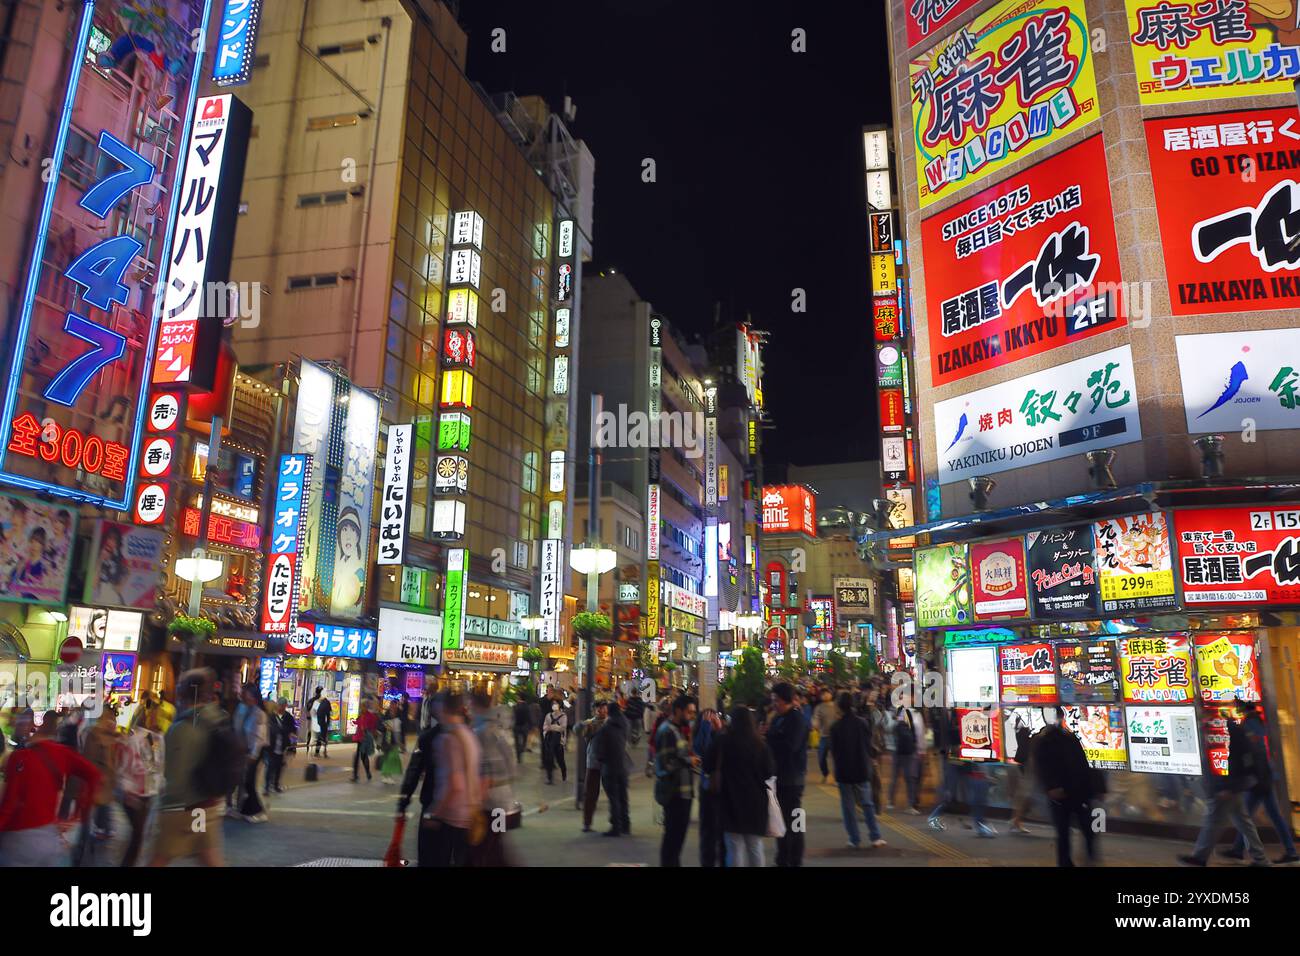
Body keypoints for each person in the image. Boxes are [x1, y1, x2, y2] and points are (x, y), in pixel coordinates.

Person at [0, 710, 100, 866]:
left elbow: (9, 806)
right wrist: (80, 813)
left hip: (17, 842)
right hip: (48, 840)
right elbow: (94, 774)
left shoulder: (18, 757)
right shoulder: (63, 753)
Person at [151, 668, 229, 867]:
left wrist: (164, 806)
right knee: (206, 854)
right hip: (205, 807)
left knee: (161, 856)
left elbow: (176, 775)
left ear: (185, 692)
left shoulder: (183, 728)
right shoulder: (217, 719)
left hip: (181, 809)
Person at [1180, 710, 1269, 867]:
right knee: (1243, 822)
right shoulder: (1219, 731)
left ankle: (1199, 857)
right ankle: (1260, 859)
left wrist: (1226, 786)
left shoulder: (1225, 732)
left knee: (1214, 820)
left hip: (1226, 787)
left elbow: (1233, 761)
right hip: (1229, 785)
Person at [1226, 701, 1298, 863]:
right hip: (1264, 776)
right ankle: (1290, 851)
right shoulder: (1256, 722)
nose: (1239, 710)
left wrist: (1230, 723)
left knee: (1246, 816)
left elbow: (1253, 751)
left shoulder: (1251, 724)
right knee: (1268, 815)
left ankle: (1240, 850)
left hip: (1260, 778)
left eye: (1239, 708)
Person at [703, 706, 775, 867]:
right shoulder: (760, 745)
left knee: (734, 847)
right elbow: (769, 773)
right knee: (755, 846)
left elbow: (707, 765)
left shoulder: (722, 741)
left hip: (730, 800)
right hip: (756, 802)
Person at [1035, 706, 1097, 866]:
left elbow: (1082, 765)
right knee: (1068, 832)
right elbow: (1043, 767)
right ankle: (1071, 862)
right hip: (1067, 793)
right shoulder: (1047, 740)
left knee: (1077, 830)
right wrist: (1051, 788)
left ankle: (1081, 859)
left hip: (1072, 792)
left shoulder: (1065, 738)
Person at [426, 693, 483, 867]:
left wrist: (435, 813)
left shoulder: (449, 739)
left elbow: (455, 784)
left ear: (443, 710)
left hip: (452, 817)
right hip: (469, 814)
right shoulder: (470, 735)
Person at [830, 692, 887, 850]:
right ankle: (875, 836)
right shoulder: (862, 723)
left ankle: (854, 839)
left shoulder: (835, 727)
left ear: (839, 706)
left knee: (848, 807)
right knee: (867, 804)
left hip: (844, 771)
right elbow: (869, 745)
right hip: (861, 768)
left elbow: (834, 752)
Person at [469, 692, 517, 866]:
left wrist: (476, 799)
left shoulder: (481, 732)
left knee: (485, 842)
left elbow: (485, 768)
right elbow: (511, 763)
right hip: (503, 799)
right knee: (497, 839)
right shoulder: (500, 729)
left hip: (489, 799)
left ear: (476, 705)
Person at [398, 695, 446, 867]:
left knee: (428, 855)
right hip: (459, 812)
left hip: (431, 804)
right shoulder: (467, 736)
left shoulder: (428, 738)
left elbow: (413, 771)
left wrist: (403, 801)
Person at [766, 682, 809, 867]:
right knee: (781, 822)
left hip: (793, 780)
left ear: (786, 700)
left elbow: (790, 746)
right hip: (779, 778)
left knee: (796, 822)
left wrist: (770, 737)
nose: (773, 704)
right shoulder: (778, 718)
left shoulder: (796, 719)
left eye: (776, 700)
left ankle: (795, 859)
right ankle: (783, 857)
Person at [653, 694, 698, 866]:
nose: (692, 716)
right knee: (672, 840)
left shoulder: (678, 730)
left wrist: (690, 759)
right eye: (689, 712)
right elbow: (665, 765)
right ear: (678, 711)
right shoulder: (667, 731)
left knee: (677, 840)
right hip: (674, 794)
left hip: (683, 793)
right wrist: (688, 761)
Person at [117, 702, 164, 866]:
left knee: (139, 834)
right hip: (137, 793)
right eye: (154, 715)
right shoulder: (140, 739)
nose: (157, 718)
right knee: (138, 835)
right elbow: (150, 766)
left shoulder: (149, 739)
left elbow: (155, 765)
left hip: (142, 793)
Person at [694, 708, 725, 866]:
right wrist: (705, 727)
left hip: (722, 791)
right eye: (708, 720)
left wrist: (719, 729)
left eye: (715, 719)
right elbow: (701, 750)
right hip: (708, 788)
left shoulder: (723, 736)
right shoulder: (702, 735)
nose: (713, 722)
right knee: (708, 833)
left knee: (721, 833)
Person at [235, 683, 268, 821]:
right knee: (246, 781)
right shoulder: (246, 709)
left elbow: (259, 738)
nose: (243, 696)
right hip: (247, 750)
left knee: (250, 781)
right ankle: (247, 810)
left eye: (246, 694)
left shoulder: (259, 713)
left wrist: (253, 754)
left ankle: (258, 810)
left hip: (256, 751)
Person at [598, 699, 631, 837]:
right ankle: (626, 825)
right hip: (623, 765)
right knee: (623, 796)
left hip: (610, 766)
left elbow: (601, 749)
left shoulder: (606, 727)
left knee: (614, 798)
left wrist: (600, 759)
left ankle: (616, 827)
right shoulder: (625, 724)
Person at [889, 704, 924, 813]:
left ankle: (890, 801)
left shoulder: (899, 711)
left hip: (898, 749)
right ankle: (910, 805)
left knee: (895, 776)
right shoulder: (916, 714)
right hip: (910, 751)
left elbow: (892, 728)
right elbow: (919, 733)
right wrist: (921, 750)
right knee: (910, 778)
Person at [579, 699, 608, 832]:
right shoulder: (590, 724)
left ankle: (617, 823)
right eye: (598, 708)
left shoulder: (611, 722)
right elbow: (579, 730)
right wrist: (582, 725)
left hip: (609, 762)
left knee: (614, 792)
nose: (601, 711)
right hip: (594, 761)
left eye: (603, 708)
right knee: (590, 793)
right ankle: (587, 823)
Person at [1007, 714, 1039, 833]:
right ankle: (1016, 821)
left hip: (1023, 765)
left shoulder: (1019, 731)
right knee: (1024, 795)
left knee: (1023, 796)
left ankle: (1016, 821)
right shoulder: (1025, 733)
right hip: (1025, 766)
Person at [264, 698, 295, 794]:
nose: (281, 707)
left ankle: (276, 785)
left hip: (282, 745)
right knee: (270, 767)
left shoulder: (288, 717)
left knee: (279, 767)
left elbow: (292, 730)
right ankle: (267, 787)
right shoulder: (272, 717)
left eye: (283, 706)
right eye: (280, 705)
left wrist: (292, 746)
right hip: (272, 745)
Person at [812, 688, 837, 783]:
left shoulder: (836, 706)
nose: (825, 695)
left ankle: (836, 777)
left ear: (831, 694)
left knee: (836, 758)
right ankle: (825, 774)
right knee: (821, 757)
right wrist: (815, 725)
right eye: (823, 694)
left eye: (827, 693)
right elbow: (816, 718)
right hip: (824, 736)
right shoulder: (819, 707)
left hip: (835, 736)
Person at [352, 697, 379, 782]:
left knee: (363, 757)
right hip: (360, 738)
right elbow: (359, 723)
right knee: (358, 756)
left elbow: (373, 727)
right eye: (361, 706)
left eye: (363, 706)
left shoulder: (370, 716)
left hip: (365, 738)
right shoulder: (361, 715)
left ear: (366, 706)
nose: (361, 707)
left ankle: (366, 773)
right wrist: (354, 722)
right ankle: (357, 775)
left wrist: (369, 730)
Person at [541, 698, 567, 785]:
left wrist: (551, 727)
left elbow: (562, 728)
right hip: (549, 740)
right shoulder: (548, 715)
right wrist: (551, 728)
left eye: (556, 703)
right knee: (549, 759)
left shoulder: (563, 716)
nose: (554, 705)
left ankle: (564, 772)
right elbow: (545, 727)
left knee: (560, 760)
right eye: (553, 703)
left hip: (559, 741)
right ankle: (549, 778)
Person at [379, 700, 405, 785]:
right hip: (387, 740)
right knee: (389, 758)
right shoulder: (386, 715)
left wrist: (401, 742)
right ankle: (386, 776)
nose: (392, 707)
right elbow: (382, 727)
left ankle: (386, 776)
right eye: (391, 705)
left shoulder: (400, 715)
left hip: (394, 740)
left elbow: (401, 730)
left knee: (391, 758)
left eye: (394, 705)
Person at [310, 688, 331, 758]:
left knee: (317, 737)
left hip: (317, 722)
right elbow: (328, 714)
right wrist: (328, 722)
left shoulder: (316, 701)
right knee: (323, 738)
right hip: (322, 722)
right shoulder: (326, 702)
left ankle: (316, 752)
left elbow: (312, 712)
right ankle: (323, 752)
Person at [512, 695, 532, 763]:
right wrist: (530, 725)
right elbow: (529, 717)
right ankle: (522, 749)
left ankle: (518, 757)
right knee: (524, 740)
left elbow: (512, 717)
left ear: (519, 698)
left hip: (516, 726)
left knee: (517, 742)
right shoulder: (527, 707)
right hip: (524, 726)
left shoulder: (515, 707)